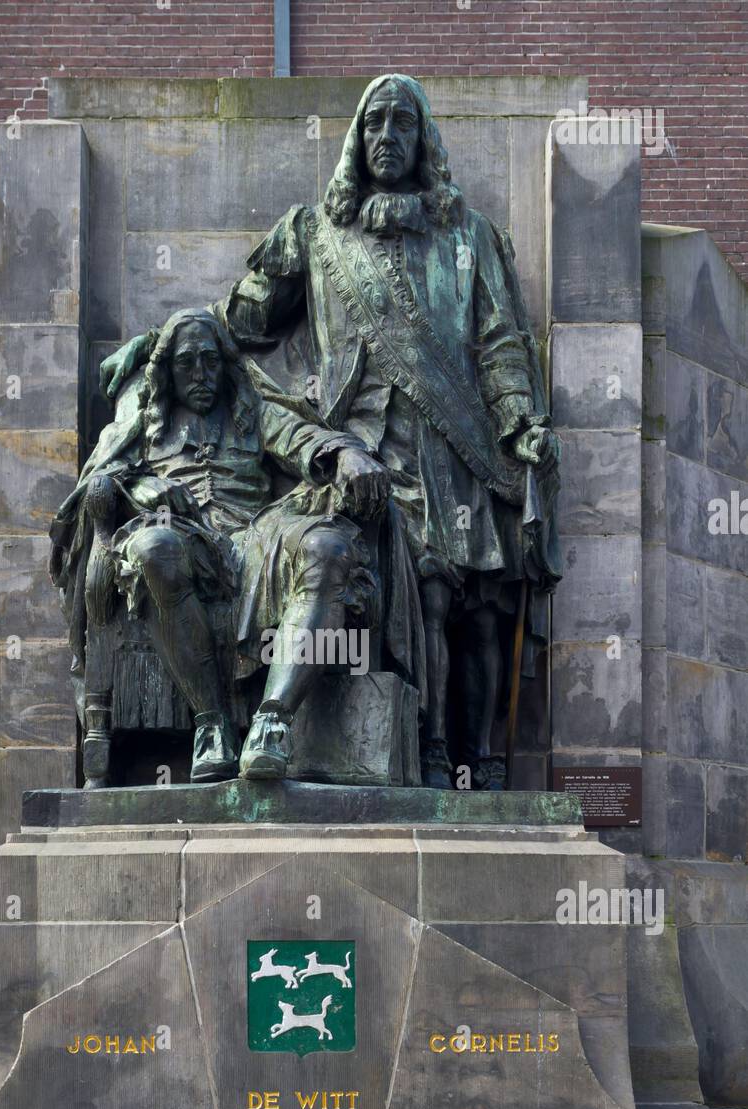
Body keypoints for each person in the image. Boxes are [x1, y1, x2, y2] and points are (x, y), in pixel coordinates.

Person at [102, 73, 562, 790]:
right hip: (360, 449)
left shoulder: (471, 238)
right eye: (374, 123)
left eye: (401, 124)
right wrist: (158, 345)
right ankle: (403, 746)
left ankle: (468, 761)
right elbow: (241, 320)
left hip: (452, 445)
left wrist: (519, 422)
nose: (387, 138)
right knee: (403, 591)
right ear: (355, 139)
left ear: (423, 139)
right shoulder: (314, 233)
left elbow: (501, 343)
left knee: (464, 602)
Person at [51, 307, 423, 782]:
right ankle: (212, 727)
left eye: (210, 361)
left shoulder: (250, 412)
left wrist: (346, 452)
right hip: (181, 536)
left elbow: (301, 436)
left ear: (226, 365)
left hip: (254, 535)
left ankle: (272, 724)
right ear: (167, 371)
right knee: (152, 549)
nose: (201, 375)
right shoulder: (144, 426)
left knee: (328, 549)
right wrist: (140, 489)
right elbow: (97, 483)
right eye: (186, 364)